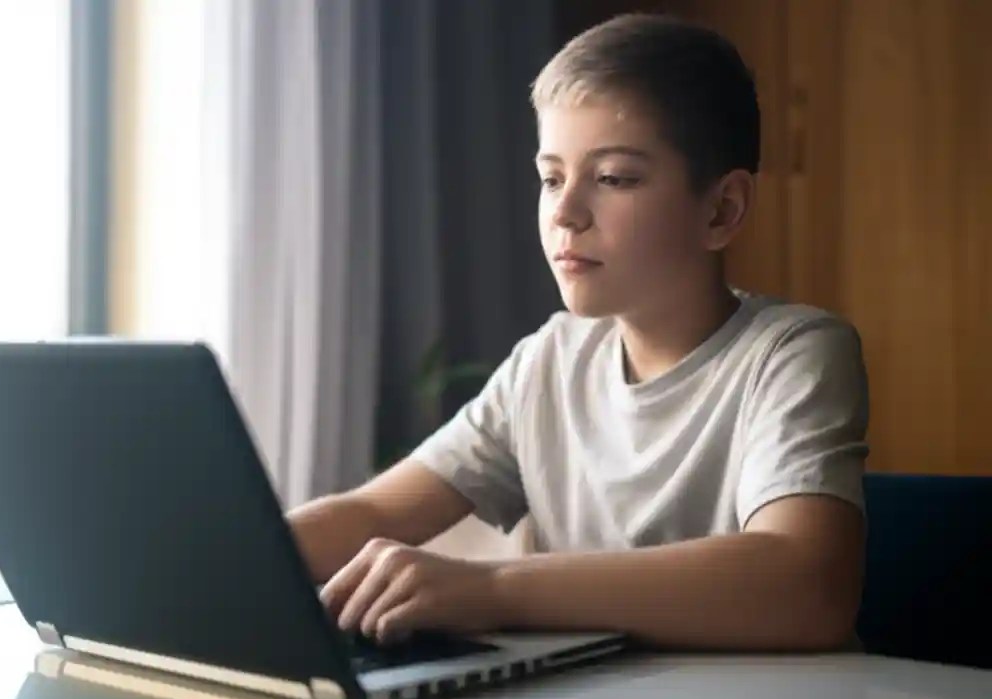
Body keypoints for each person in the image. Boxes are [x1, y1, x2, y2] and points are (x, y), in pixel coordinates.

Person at [287, 13, 869, 651]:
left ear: (721, 209)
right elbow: (376, 512)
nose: (565, 212)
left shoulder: (792, 355)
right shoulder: (549, 360)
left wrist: (494, 588)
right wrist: (231, 556)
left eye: (614, 178)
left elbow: (807, 586)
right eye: (551, 178)